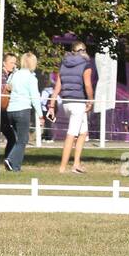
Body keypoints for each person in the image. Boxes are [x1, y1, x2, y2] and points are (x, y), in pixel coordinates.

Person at [51, 42, 94, 173]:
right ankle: (62, 168)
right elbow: (87, 85)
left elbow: (58, 85)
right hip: (78, 102)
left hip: (66, 102)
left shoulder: (63, 63)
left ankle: (76, 164)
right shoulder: (86, 64)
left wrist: (51, 104)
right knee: (71, 134)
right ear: (84, 51)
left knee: (83, 132)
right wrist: (91, 100)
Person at [4, 51, 44, 172]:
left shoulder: (15, 74)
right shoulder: (31, 78)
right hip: (23, 110)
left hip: (11, 110)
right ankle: (10, 159)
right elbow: (35, 97)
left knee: (19, 140)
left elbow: (7, 86)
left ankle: (16, 167)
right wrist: (41, 114)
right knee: (23, 140)